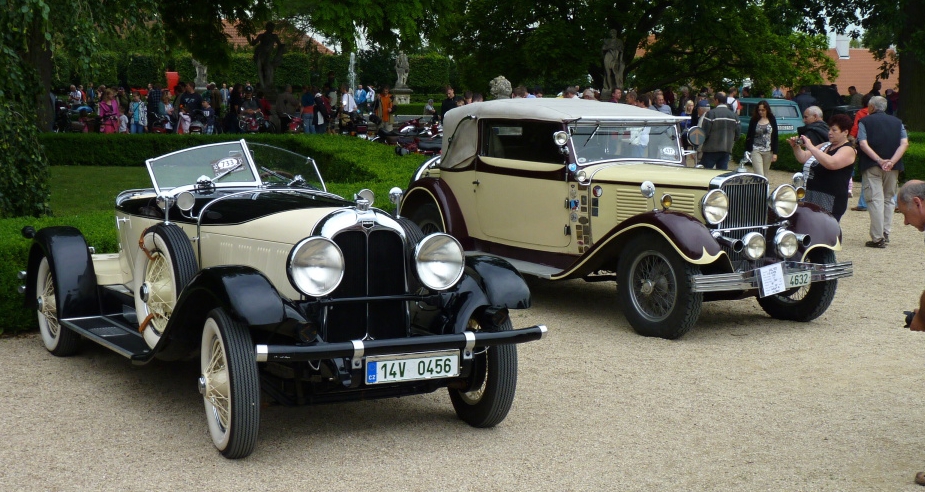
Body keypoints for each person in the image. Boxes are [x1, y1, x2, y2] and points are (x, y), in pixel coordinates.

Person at [857, 95, 910, 248]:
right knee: (888, 199)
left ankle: (877, 238)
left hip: (872, 165)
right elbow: (904, 143)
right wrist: (892, 161)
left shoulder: (865, 121)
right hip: (893, 166)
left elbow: (863, 144)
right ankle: (886, 233)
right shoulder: (897, 122)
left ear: (871, 107)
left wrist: (879, 160)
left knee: (875, 200)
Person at [787, 114, 856, 221]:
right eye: (829, 129)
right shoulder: (826, 145)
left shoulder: (848, 149)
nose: (830, 133)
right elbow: (803, 158)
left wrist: (810, 146)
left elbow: (831, 163)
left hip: (831, 199)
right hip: (812, 195)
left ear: (845, 132)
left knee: (825, 232)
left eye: (834, 130)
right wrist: (796, 147)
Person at [699, 92, 740, 169]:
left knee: (705, 173)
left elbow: (705, 132)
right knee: (721, 174)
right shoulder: (734, 116)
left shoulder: (711, 114)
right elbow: (737, 134)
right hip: (726, 148)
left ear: (717, 100)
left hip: (711, 149)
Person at [744, 100, 779, 177]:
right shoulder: (754, 120)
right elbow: (749, 135)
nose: (760, 112)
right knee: (759, 174)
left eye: (763, 110)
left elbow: (775, 136)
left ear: (767, 110)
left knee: (765, 175)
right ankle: (759, 188)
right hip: (756, 150)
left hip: (768, 151)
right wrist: (747, 150)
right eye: (759, 110)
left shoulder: (772, 119)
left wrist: (775, 153)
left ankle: (763, 189)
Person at [250, 22, 286, 91]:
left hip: (268, 55)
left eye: (272, 27)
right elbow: (254, 43)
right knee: (260, 69)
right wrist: (252, 41)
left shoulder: (274, 36)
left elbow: (280, 45)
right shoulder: (262, 36)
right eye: (270, 27)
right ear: (267, 28)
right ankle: (263, 86)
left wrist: (282, 48)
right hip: (261, 54)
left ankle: (267, 84)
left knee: (268, 69)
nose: (271, 29)